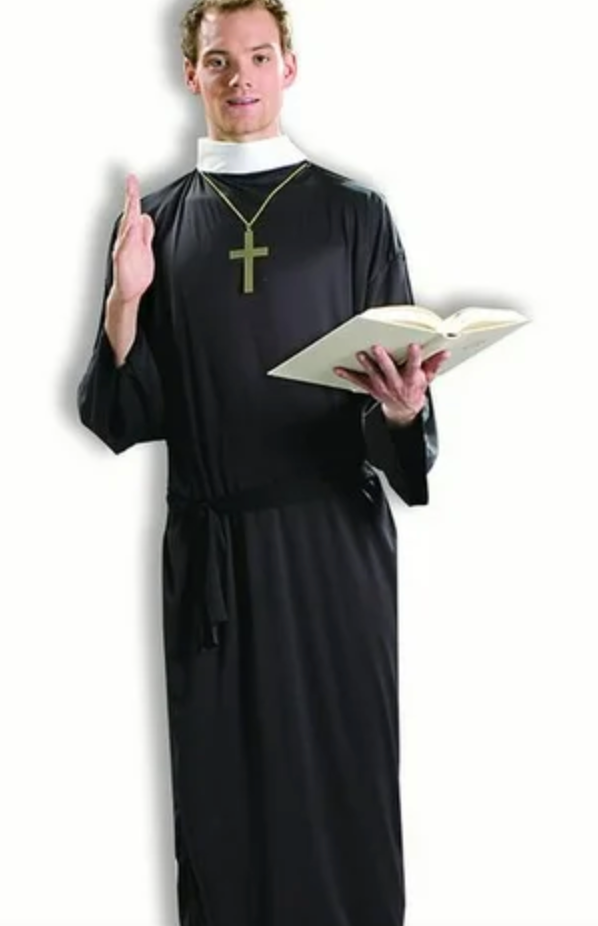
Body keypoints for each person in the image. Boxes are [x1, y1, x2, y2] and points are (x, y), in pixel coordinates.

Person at [77, 1, 448, 923]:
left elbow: (397, 413)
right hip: (212, 557)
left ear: (289, 66)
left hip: (333, 552)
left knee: (343, 781)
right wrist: (124, 304)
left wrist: (405, 411)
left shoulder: (355, 214)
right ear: (191, 74)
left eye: (256, 55)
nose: (238, 76)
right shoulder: (157, 225)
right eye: (217, 59)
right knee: (224, 803)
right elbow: (124, 417)